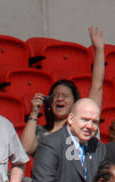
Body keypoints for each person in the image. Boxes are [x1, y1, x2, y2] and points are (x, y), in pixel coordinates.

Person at [19, 26, 106, 156]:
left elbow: (97, 87)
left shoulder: (82, 129)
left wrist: (99, 50)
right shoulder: (41, 132)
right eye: (56, 96)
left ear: (75, 103)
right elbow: (25, 149)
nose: (60, 99)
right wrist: (34, 113)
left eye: (65, 96)